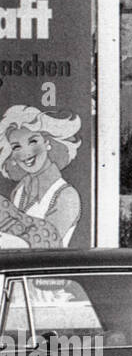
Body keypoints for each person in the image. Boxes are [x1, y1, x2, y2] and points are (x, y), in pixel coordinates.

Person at [0, 106, 83, 249]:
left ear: (47, 143)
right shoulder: (20, 190)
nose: (25, 152)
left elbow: (47, 246)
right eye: (16, 147)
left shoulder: (66, 195)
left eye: (33, 141)